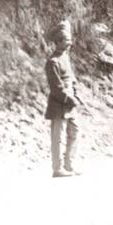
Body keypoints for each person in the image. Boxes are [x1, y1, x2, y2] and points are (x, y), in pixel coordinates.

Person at [45, 19, 80, 177]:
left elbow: (71, 79)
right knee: (57, 136)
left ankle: (69, 164)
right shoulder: (52, 62)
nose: (69, 43)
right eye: (66, 40)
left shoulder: (66, 58)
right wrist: (69, 99)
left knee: (74, 132)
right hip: (59, 104)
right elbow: (56, 88)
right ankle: (57, 168)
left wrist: (76, 94)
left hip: (70, 102)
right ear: (58, 42)